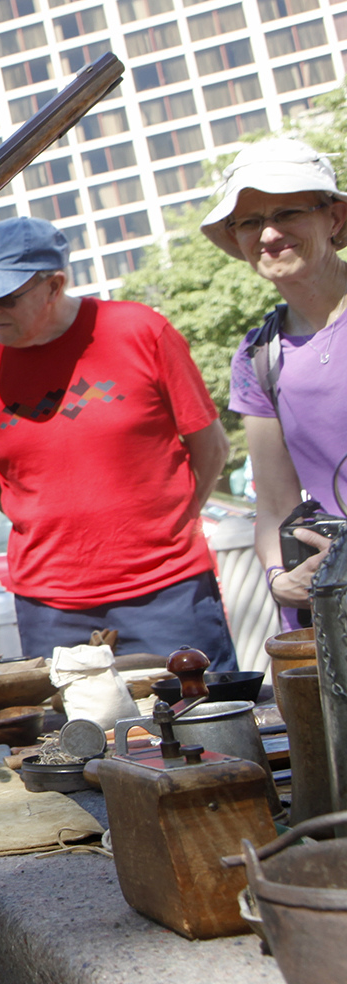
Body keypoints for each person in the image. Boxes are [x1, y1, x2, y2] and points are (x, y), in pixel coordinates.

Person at [0, 217, 237, 665]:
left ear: (54, 285)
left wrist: (167, 525)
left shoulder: (141, 330)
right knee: (75, 736)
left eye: (4, 296)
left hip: (170, 592)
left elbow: (212, 446)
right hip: (50, 607)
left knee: (202, 725)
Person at [200, 138, 346, 623]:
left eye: (287, 213)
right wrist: (280, 580)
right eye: (249, 221)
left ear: (335, 219)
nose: (268, 234)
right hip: (330, 611)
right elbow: (275, 502)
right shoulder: (259, 353)